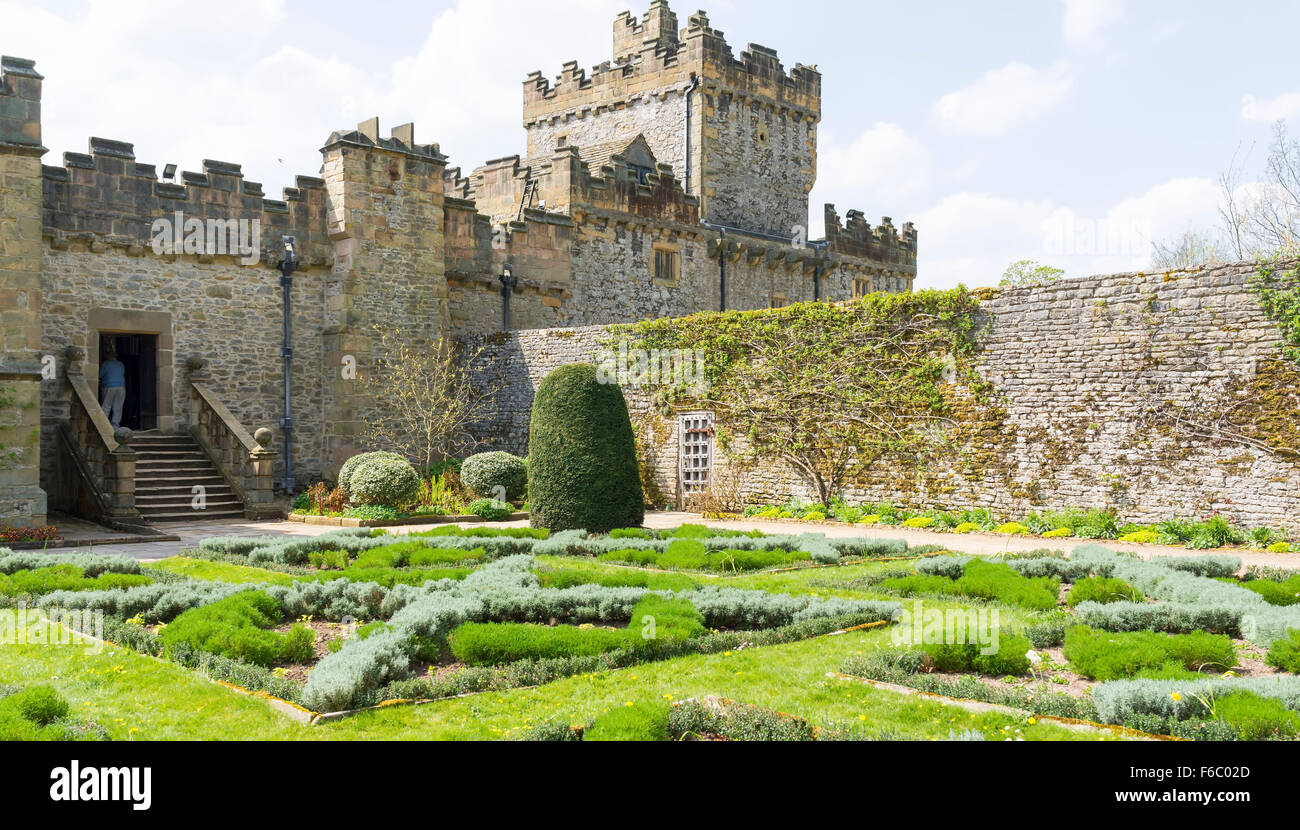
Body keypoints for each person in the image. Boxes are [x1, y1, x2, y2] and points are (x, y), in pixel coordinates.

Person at [99, 345, 127, 428]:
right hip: (121, 386)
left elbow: (99, 375)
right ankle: (115, 425)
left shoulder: (106, 363)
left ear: (107, 356)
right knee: (118, 406)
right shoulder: (121, 364)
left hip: (109, 385)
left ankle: (104, 425)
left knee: (106, 406)